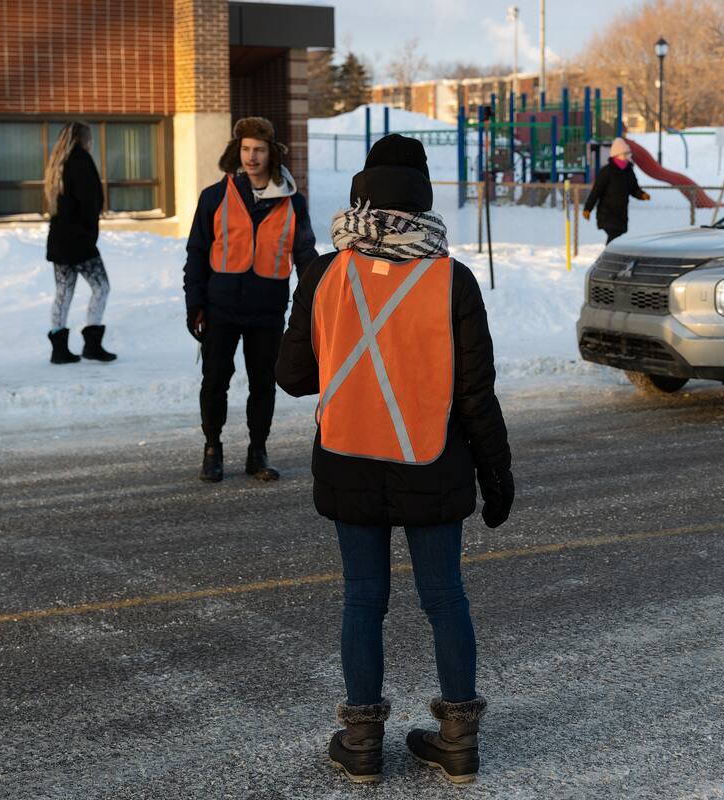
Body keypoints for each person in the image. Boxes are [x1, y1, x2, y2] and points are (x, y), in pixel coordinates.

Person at [275, 134, 513, 786]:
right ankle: (458, 740)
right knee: (445, 598)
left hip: (349, 455)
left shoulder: (325, 273)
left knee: (362, 600)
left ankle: (361, 742)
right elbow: (475, 394)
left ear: (363, 193)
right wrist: (497, 473)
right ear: (423, 196)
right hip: (430, 458)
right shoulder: (450, 278)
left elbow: (294, 376)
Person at [183, 117, 317, 483]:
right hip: (219, 309)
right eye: (245, 149)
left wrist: (316, 300)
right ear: (236, 151)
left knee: (263, 383)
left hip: (267, 311)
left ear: (271, 153)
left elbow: (305, 255)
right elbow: (196, 252)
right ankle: (213, 449)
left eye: (258, 149)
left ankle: (258, 451)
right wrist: (194, 304)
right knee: (214, 382)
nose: (251, 157)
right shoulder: (214, 196)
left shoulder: (293, 202)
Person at [44, 121, 115, 364]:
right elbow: (90, 201)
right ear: (84, 139)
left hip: (59, 239)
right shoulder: (81, 161)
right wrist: (89, 234)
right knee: (102, 287)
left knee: (63, 292)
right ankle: (92, 345)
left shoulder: (58, 164)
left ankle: (59, 349)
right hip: (79, 240)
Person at [582, 136, 650, 243]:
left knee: (619, 237)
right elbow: (596, 192)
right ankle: (609, 258)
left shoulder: (629, 172)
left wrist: (641, 195)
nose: (628, 156)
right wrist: (588, 208)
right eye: (625, 154)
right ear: (617, 155)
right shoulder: (607, 172)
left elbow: (633, 189)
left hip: (621, 214)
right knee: (614, 237)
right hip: (607, 213)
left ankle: (611, 257)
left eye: (628, 154)